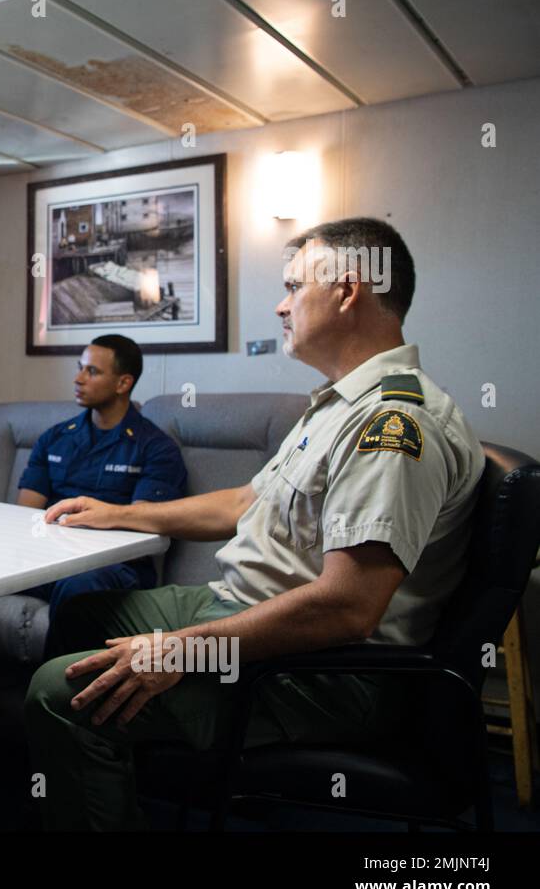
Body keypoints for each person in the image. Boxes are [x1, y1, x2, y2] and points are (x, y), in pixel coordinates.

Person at [25, 217, 484, 831]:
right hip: (240, 604)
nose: (280, 305)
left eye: (293, 287)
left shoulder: (393, 424)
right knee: (83, 613)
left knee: (59, 694)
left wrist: (183, 651)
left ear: (347, 292)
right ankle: (108, 770)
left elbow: (349, 608)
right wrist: (120, 513)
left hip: (322, 667)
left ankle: (97, 746)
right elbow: (246, 501)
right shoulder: (335, 403)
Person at [16, 334, 186, 627]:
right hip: (49, 555)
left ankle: (52, 675)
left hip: (114, 566)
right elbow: (27, 513)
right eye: (80, 368)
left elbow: (143, 524)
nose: (78, 379)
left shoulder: (156, 448)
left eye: (91, 371)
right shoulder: (54, 438)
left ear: (123, 383)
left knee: (78, 586)